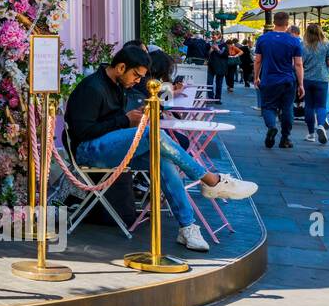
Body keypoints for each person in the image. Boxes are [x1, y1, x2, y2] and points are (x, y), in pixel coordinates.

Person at [63, 45, 257, 252]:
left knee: (161, 158)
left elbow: (112, 121)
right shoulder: (92, 87)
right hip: (87, 151)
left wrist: (131, 117)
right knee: (152, 134)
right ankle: (210, 180)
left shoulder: (117, 85)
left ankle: (187, 226)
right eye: (136, 75)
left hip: (108, 147)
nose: (138, 81)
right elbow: (83, 132)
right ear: (121, 67)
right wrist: (125, 120)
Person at [254, 11, 305, 149]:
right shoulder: (294, 41)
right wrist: (301, 84)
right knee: (287, 108)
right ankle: (285, 138)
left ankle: (272, 127)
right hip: (288, 80)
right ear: (287, 23)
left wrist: (256, 77)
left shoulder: (263, 39)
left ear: (274, 22)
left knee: (268, 107)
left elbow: (258, 60)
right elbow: (298, 64)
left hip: (269, 79)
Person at [300, 24, 329, 145]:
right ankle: (320, 125)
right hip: (322, 79)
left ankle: (311, 134)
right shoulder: (326, 45)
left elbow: (299, 64)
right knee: (321, 106)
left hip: (306, 79)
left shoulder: (303, 46)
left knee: (309, 106)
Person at [206, 34, 231, 101]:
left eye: (214, 37)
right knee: (209, 82)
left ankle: (218, 98)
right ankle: (210, 97)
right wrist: (210, 50)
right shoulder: (210, 44)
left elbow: (226, 55)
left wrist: (217, 49)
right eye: (212, 37)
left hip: (221, 66)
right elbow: (206, 54)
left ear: (219, 37)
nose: (213, 38)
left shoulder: (224, 45)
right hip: (211, 66)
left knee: (219, 83)